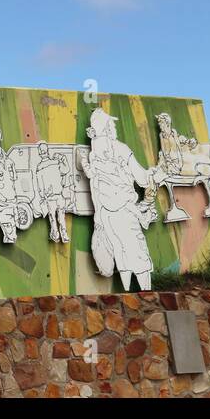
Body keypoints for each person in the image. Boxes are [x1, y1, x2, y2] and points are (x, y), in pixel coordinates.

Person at [80, 108, 163, 291]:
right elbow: (141, 178)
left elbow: (95, 189)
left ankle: (126, 294)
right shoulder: (120, 149)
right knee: (137, 253)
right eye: (112, 123)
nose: (114, 126)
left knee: (121, 254)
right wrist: (156, 174)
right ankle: (147, 295)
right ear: (109, 128)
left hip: (106, 216)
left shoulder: (94, 155)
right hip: (125, 211)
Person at [33, 142, 72, 243]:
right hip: (59, 195)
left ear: (40, 153)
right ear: (47, 151)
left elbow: (40, 185)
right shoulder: (56, 163)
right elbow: (66, 170)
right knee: (61, 216)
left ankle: (55, 234)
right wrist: (63, 159)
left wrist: (42, 195)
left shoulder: (39, 167)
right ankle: (64, 235)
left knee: (52, 217)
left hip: (49, 197)